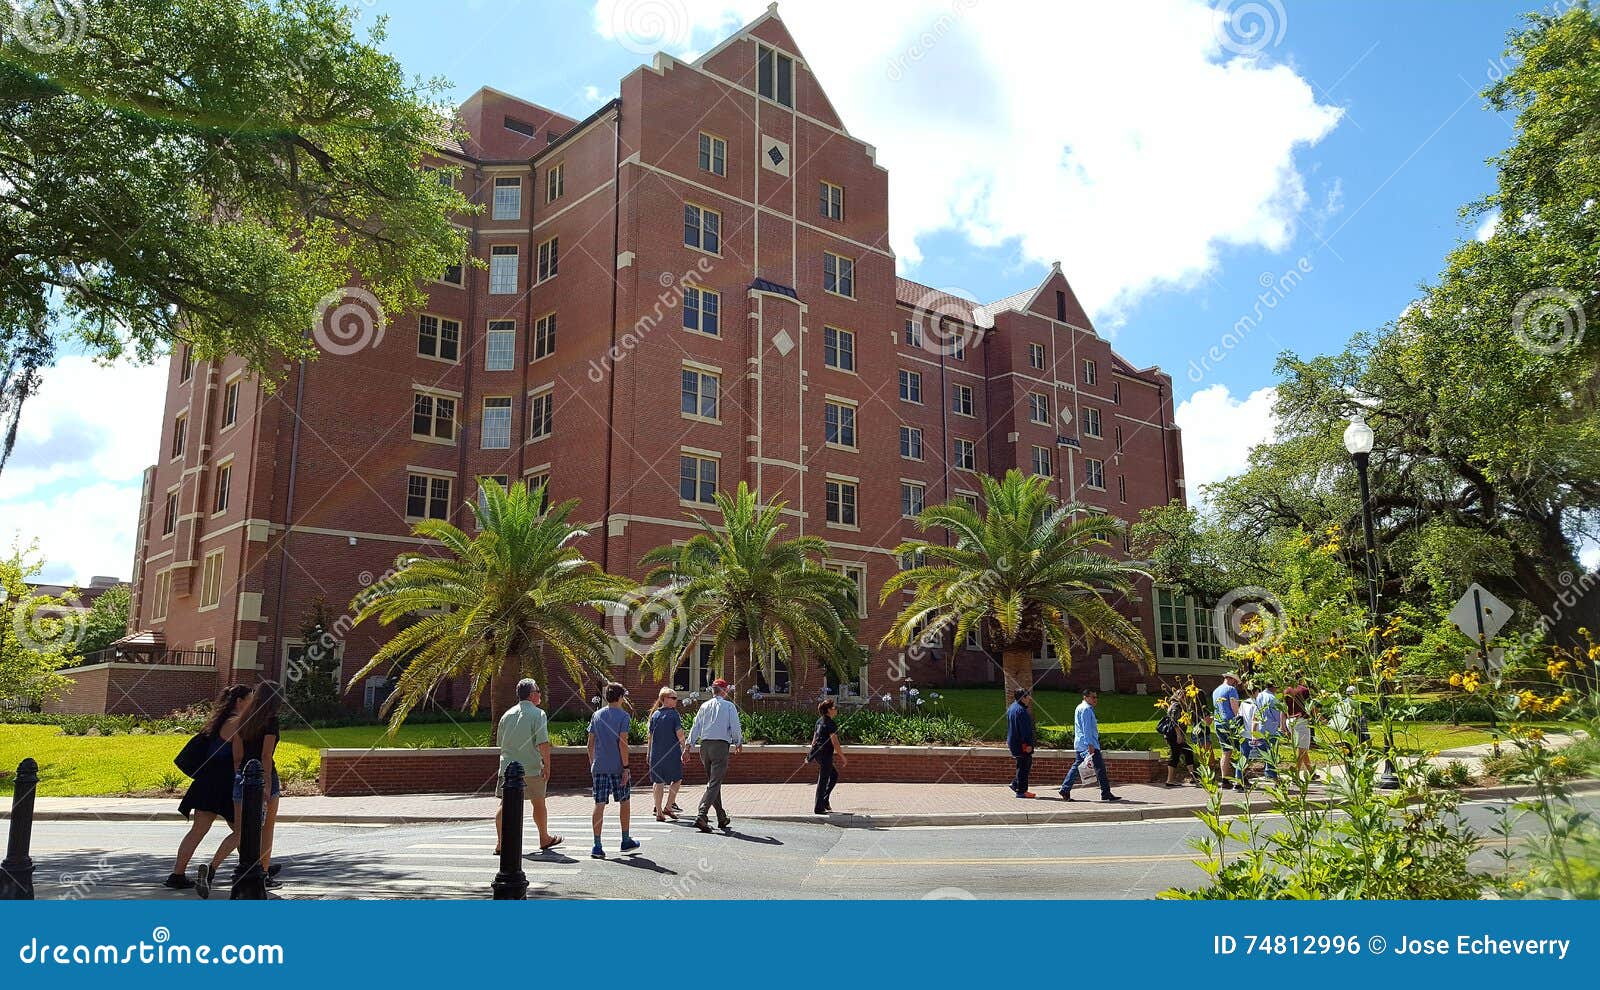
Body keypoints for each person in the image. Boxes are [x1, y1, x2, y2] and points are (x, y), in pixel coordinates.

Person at [165, 684, 249, 893]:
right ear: (239, 701)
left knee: (198, 831)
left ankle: (177, 874)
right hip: (226, 785)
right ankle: (253, 870)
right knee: (242, 831)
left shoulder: (216, 722)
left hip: (205, 783)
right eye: (250, 699)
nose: (252, 703)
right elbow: (238, 757)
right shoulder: (237, 722)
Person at [227, 680, 283, 889]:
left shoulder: (244, 719)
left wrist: (238, 775)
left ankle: (245, 868)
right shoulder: (271, 720)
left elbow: (237, 755)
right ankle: (263, 873)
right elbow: (266, 755)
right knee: (267, 827)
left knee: (244, 828)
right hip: (262, 775)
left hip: (242, 775)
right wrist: (266, 785)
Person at [496, 678, 561, 856]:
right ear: (532, 695)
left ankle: (501, 843)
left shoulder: (506, 715)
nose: (540, 694)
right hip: (531, 767)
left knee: (505, 804)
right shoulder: (538, 714)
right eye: (538, 691)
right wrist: (547, 765)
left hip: (508, 769)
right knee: (538, 802)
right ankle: (544, 838)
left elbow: (501, 743)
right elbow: (543, 743)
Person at [587, 682, 639, 860]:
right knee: (624, 802)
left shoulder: (596, 715)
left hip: (600, 766)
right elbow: (622, 743)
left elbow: (590, 743)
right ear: (620, 697)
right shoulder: (623, 716)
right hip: (617, 767)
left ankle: (597, 844)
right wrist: (626, 767)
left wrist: (592, 763)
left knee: (599, 804)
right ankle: (625, 839)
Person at [685, 677, 743, 832]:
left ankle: (721, 817)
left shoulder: (704, 706)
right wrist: (738, 742)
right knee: (714, 783)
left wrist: (688, 745)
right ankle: (702, 814)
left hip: (705, 747)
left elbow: (695, 726)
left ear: (713, 691)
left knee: (713, 782)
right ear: (724, 691)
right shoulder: (729, 706)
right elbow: (735, 726)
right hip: (720, 746)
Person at [1058, 690, 1121, 802]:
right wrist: (1090, 745)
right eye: (1093, 697)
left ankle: (1065, 789)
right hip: (1088, 744)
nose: (1095, 699)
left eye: (1096, 697)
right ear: (1085, 697)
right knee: (1100, 769)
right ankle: (1105, 793)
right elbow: (1086, 728)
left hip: (1081, 743)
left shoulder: (1080, 707)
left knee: (1078, 766)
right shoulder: (1086, 709)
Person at [647, 686, 687, 821]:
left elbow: (650, 736)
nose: (676, 700)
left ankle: (659, 811)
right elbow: (679, 733)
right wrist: (685, 747)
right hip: (672, 754)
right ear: (664, 699)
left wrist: (648, 753)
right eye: (673, 698)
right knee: (677, 779)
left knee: (658, 782)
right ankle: (668, 806)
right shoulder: (674, 714)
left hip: (656, 755)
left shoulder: (655, 715)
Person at [807, 699, 846, 814]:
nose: (836, 709)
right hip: (825, 754)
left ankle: (824, 800)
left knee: (833, 775)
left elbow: (814, 740)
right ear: (829, 710)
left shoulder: (819, 721)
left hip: (819, 753)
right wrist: (842, 757)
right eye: (834, 707)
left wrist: (810, 754)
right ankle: (819, 807)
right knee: (823, 779)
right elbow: (835, 743)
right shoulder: (830, 724)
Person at [1212, 671, 1244, 789]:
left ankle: (1225, 780)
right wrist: (1239, 718)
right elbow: (1234, 707)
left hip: (1218, 723)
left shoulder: (1216, 691)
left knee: (1225, 752)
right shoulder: (1231, 690)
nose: (1235, 684)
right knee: (1238, 751)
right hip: (1230, 723)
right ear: (1232, 680)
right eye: (1235, 682)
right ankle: (1239, 780)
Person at [1161, 686, 1197, 787]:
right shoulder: (1176, 706)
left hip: (1176, 734)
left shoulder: (1178, 705)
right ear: (1180, 696)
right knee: (1175, 756)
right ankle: (1169, 780)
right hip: (1174, 735)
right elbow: (1174, 721)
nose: (1186, 698)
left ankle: (1193, 776)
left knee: (1188, 751)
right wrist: (1179, 735)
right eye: (1185, 696)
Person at [1005, 688, 1037, 798]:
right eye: (1027, 696)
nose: (1029, 698)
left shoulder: (1012, 708)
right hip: (1021, 744)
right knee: (1024, 766)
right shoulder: (1021, 711)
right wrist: (1027, 745)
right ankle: (1021, 791)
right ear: (1023, 698)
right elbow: (1025, 730)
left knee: (1022, 765)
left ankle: (1015, 784)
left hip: (1014, 742)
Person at [1283, 678, 1314, 777]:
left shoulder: (1286, 690)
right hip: (1301, 720)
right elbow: (1311, 706)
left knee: (1302, 747)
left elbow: (1283, 709)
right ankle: (1295, 774)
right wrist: (1321, 718)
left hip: (1290, 721)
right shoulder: (1304, 690)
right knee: (1302, 749)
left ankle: (1311, 772)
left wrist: (1282, 724)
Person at [1254, 679, 1283, 780]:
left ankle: (1267, 771)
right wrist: (1281, 726)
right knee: (1271, 752)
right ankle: (1272, 774)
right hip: (1271, 728)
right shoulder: (1272, 698)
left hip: (1261, 727)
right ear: (1274, 687)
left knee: (1265, 752)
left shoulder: (1260, 695)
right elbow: (1277, 714)